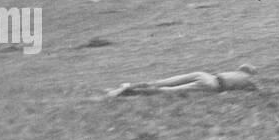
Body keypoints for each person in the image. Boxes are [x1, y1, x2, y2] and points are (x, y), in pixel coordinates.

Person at [106, 63, 258, 97]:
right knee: (166, 91)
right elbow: (258, 92)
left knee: (161, 82)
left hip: (206, 75)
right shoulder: (249, 80)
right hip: (212, 84)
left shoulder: (235, 73)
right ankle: (127, 92)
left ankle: (127, 86)